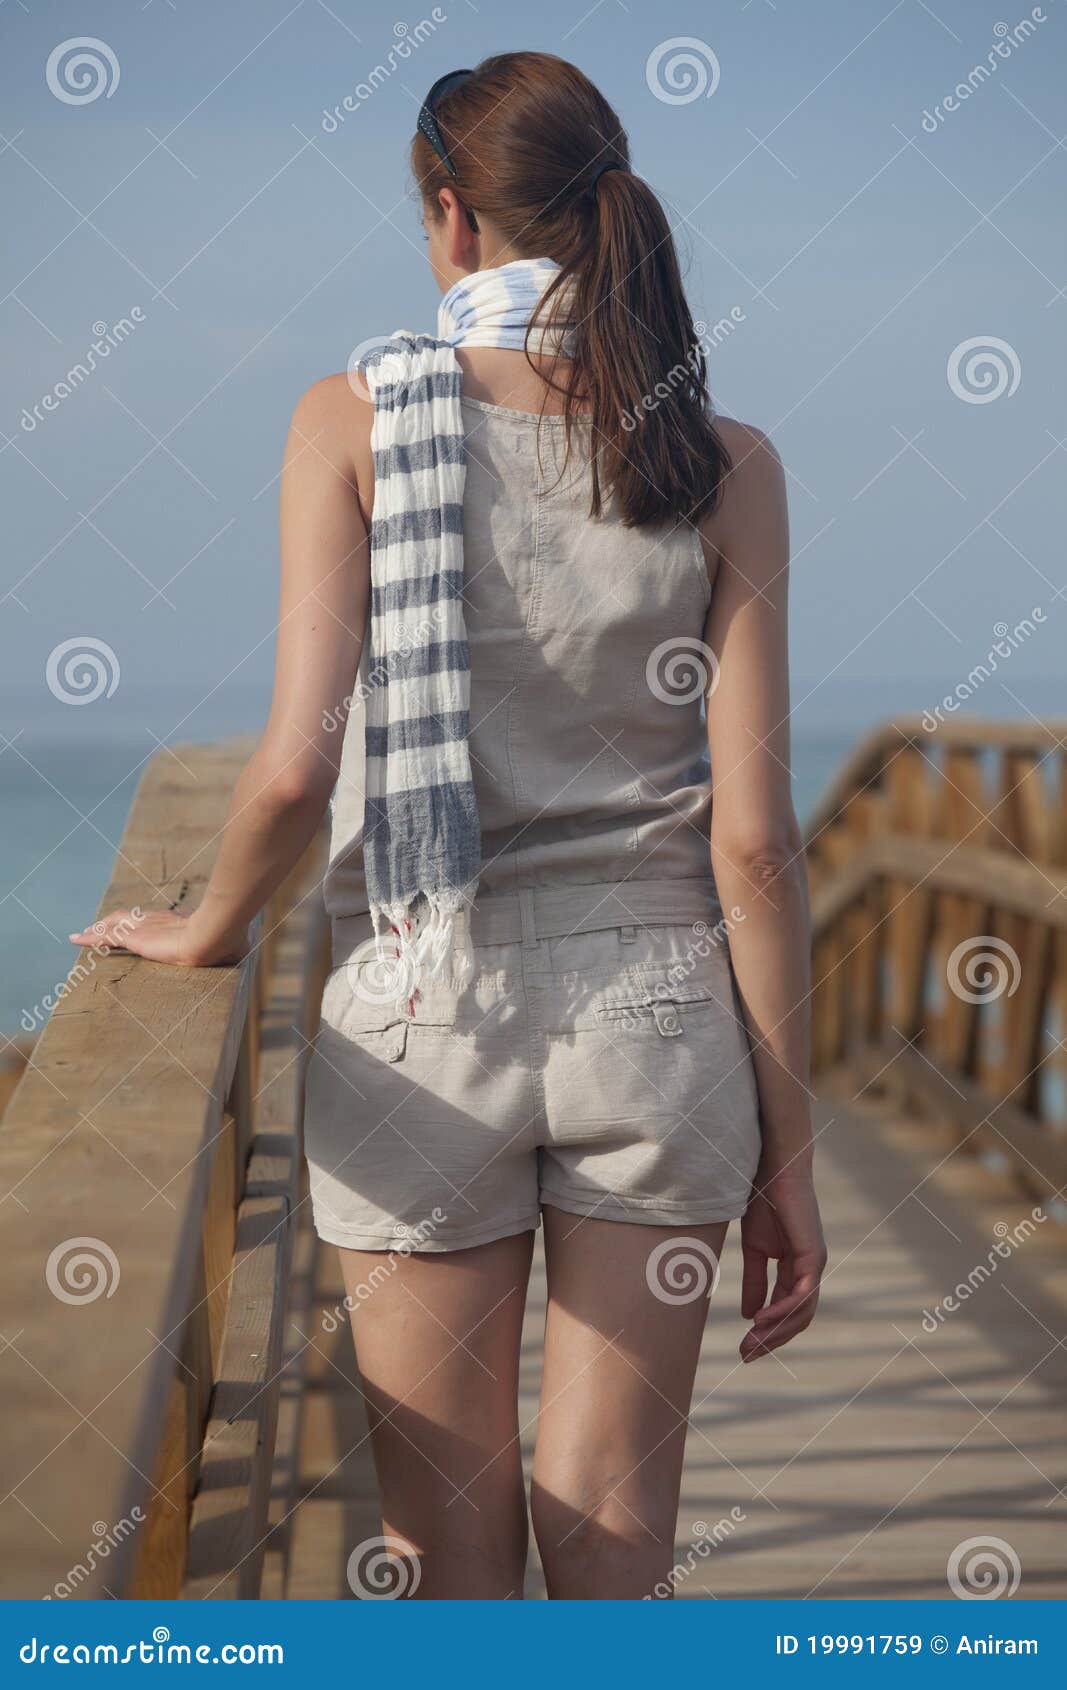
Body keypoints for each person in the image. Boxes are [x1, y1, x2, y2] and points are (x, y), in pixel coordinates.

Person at [73, 51, 826, 1601]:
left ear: (450, 217)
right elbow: (755, 844)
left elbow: (293, 766)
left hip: (422, 1010)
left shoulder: (350, 420)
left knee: (446, 1545)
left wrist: (208, 925)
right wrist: (791, 1150)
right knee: (616, 1537)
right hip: (661, 1017)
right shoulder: (721, 461)